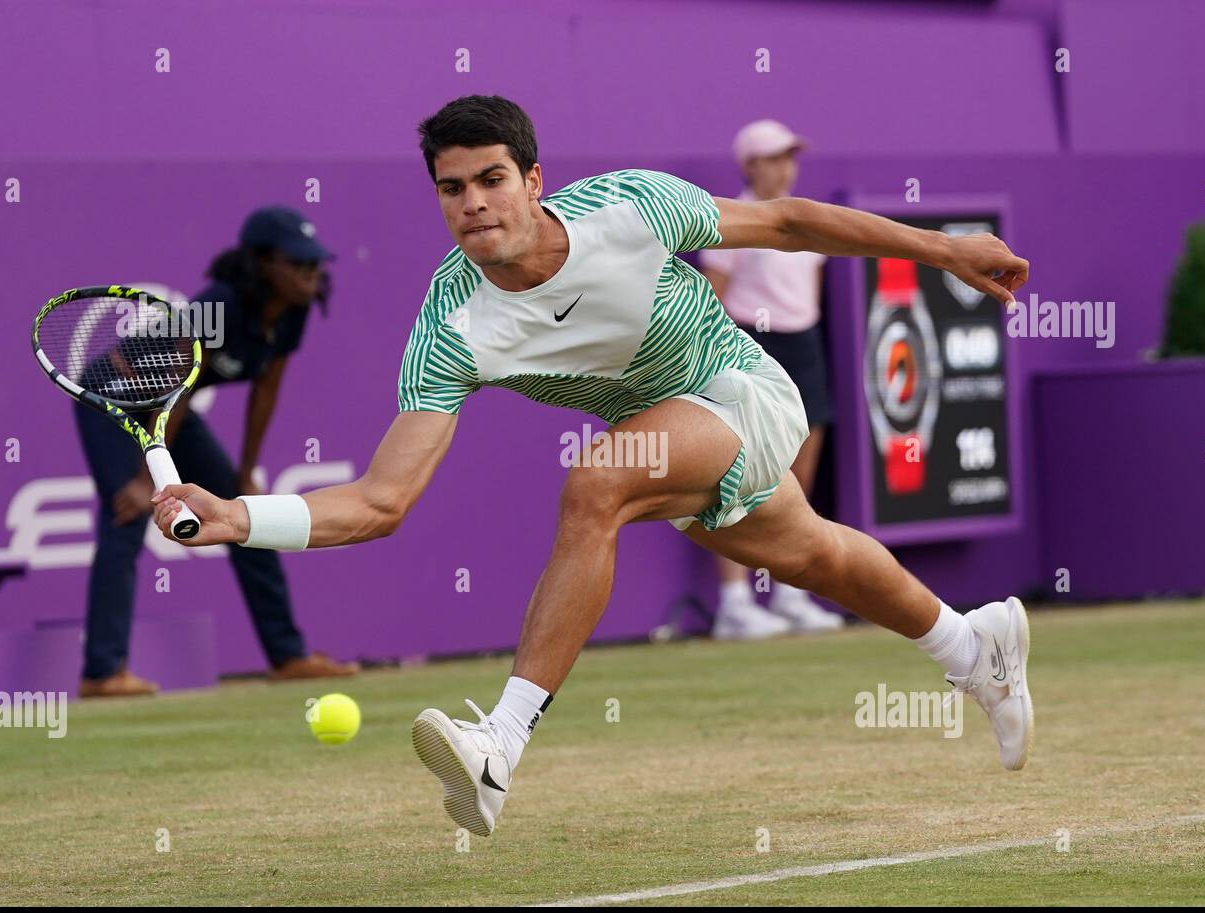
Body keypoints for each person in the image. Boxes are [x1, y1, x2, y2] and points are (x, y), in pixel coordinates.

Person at [152, 96, 1034, 835]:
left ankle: (499, 745)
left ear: (533, 183)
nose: (475, 205)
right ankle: (972, 646)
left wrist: (945, 250)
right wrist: (237, 515)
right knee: (814, 555)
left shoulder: (630, 208)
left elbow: (791, 223)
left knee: (597, 483)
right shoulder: (451, 328)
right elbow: (382, 502)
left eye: (493, 180)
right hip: (668, 432)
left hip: (739, 388)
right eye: (452, 189)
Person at [76, 207, 358, 696]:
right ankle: (102, 672)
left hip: (167, 406)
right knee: (127, 514)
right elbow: (176, 391)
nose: (311, 274)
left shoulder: (294, 311)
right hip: (117, 395)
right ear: (265, 263)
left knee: (243, 514)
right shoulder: (220, 306)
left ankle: (287, 656)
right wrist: (147, 480)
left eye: (315, 264)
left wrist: (246, 472)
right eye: (299, 263)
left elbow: (266, 389)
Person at [699, 119, 844, 639]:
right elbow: (711, 296)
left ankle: (791, 592)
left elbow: (814, 290)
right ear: (749, 166)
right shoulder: (731, 221)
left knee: (799, 479)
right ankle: (735, 604)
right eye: (773, 157)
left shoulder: (808, 220)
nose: (785, 167)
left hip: (804, 346)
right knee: (739, 475)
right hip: (750, 346)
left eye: (790, 157)